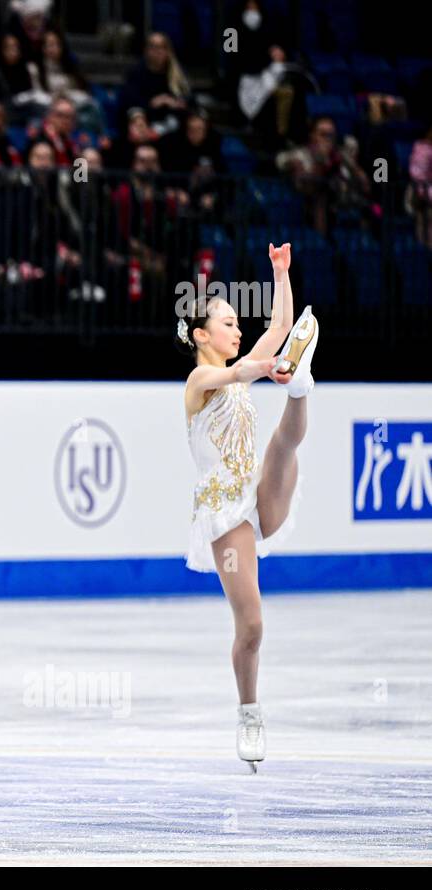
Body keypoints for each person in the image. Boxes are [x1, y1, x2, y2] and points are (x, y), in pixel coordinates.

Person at [177, 243, 317, 771]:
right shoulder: (198, 382)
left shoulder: (241, 365)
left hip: (259, 491)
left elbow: (282, 322)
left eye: (239, 324)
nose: (237, 331)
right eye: (228, 324)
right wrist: (265, 365)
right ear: (201, 336)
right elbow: (235, 376)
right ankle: (249, 711)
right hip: (224, 514)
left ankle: (302, 386)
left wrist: (280, 273)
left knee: (284, 445)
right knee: (253, 627)